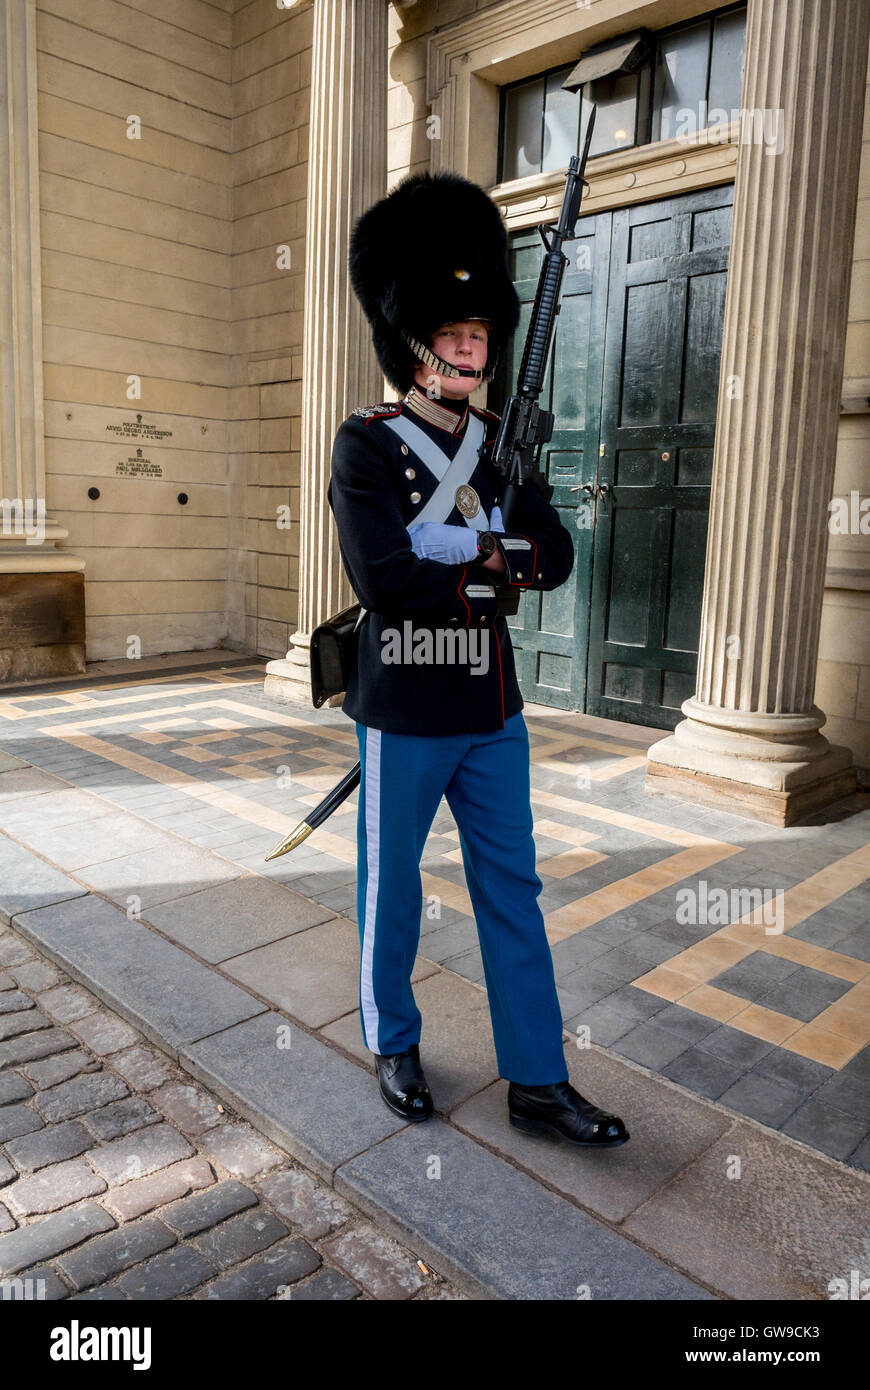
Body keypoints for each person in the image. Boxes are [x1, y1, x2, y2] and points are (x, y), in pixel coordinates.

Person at [326, 169, 628, 1148]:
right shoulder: (368, 445)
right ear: (414, 342)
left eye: (480, 336)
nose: (470, 349)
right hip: (406, 700)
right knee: (393, 884)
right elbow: (385, 581)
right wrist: (491, 561)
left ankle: (538, 1077)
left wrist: (489, 552)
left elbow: (557, 553)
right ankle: (394, 1039)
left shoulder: (506, 440)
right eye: (454, 335)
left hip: (491, 708)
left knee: (514, 890)